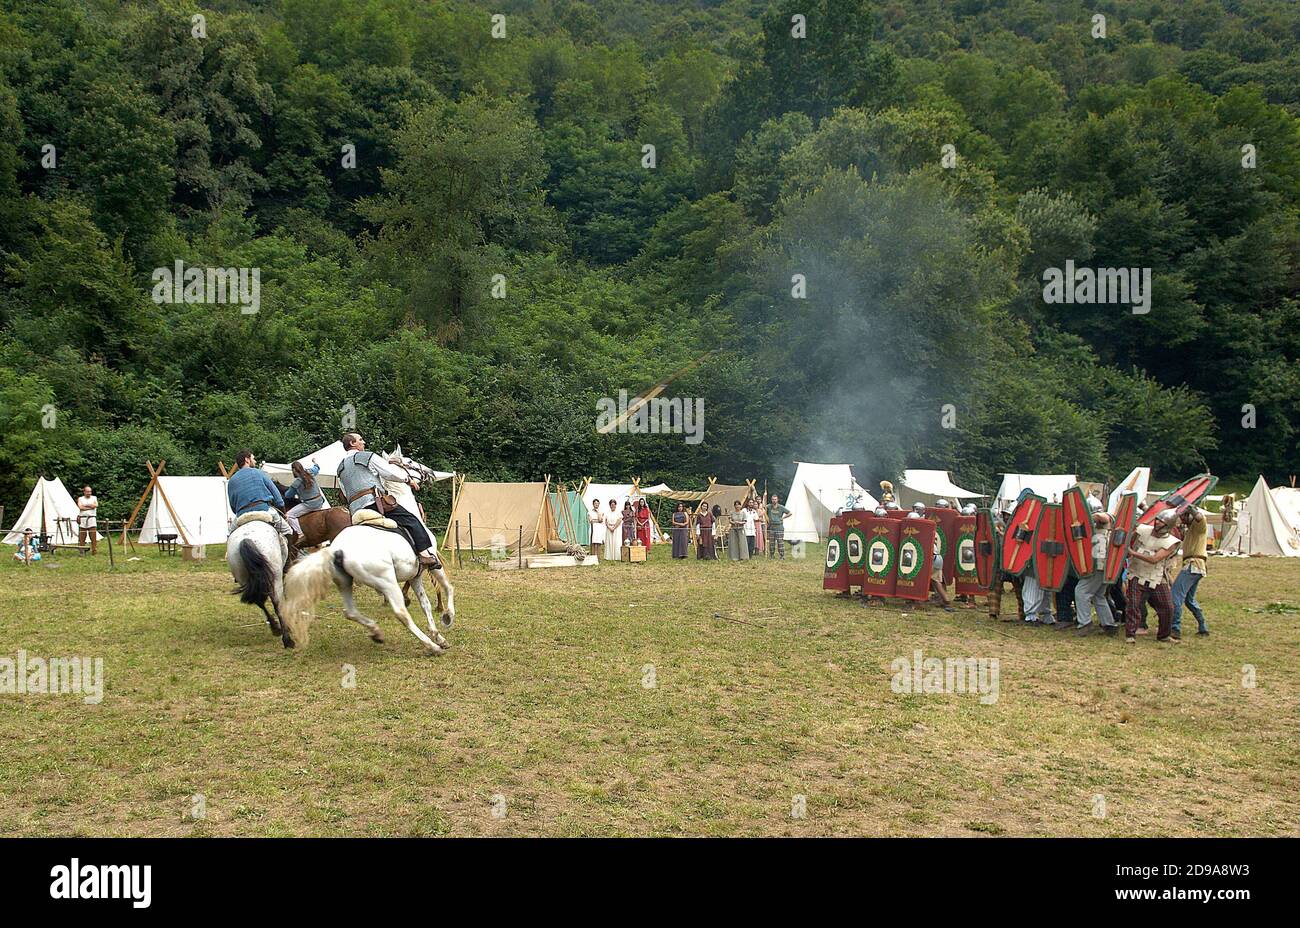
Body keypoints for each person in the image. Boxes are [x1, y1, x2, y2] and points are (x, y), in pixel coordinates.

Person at [336, 433, 442, 569]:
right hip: (374, 504)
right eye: (361, 440)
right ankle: (425, 555)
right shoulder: (367, 456)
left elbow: (344, 492)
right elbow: (389, 472)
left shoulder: (340, 468)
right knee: (411, 520)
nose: (364, 442)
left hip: (355, 511)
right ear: (352, 443)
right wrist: (407, 479)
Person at [1124, 508, 1181, 644]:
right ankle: (1130, 634)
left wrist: (1133, 552)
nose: (1157, 523)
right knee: (1133, 605)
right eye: (1157, 520)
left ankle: (1164, 635)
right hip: (1137, 574)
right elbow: (1129, 538)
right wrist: (1127, 548)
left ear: (1168, 526)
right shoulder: (1143, 530)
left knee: (1168, 607)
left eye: (1161, 522)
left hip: (1156, 576)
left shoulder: (1172, 543)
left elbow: (1155, 559)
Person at [227, 451, 295, 548]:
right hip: (265, 510)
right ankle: (288, 561)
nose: (254, 461)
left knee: (230, 536)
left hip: (242, 514)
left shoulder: (231, 481)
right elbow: (277, 496)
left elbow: (233, 507)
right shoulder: (260, 473)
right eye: (253, 458)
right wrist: (284, 513)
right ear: (247, 459)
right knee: (288, 530)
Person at [1073, 511, 1117, 636]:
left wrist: (1085, 516)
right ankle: (1109, 624)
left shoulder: (1106, 520)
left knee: (1081, 592)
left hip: (1099, 565)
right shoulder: (1097, 529)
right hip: (1100, 564)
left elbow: (1101, 517)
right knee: (1099, 595)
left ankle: (1085, 623)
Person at [1171, 507, 1210, 638]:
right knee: (1189, 600)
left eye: (1185, 515)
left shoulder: (1199, 525)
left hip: (1193, 564)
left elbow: (1199, 517)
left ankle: (1174, 628)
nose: (1182, 519)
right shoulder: (1192, 530)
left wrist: (1188, 506)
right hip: (1195, 565)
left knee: (1175, 596)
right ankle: (1203, 625)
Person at [284, 459, 327, 537]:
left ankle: (300, 534)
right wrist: (315, 462)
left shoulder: (296, 483)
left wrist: (292, 489)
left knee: (289, 515)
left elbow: (287, 495)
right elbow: (317, 468)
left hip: (309, 505)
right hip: (320, 501)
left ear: (294, 470)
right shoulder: (310, 472)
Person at [930, 531, 954, 611]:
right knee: (937, 581)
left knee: (936, 582)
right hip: (937, 558)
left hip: (934, 559)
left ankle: (946, 601)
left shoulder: (924, 535)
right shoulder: (929, 534)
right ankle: (942, 600)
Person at [766, 494, 792, 559]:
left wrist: (783, 518)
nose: (774, 501)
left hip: (779, 527)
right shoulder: (769, 506)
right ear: (771, 500)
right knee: (771, 542)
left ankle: (782, 556)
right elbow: (762, 508)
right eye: (773, 499)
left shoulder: (781, 507)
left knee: (780, 542)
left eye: (775, 499)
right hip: (771, 527)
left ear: (777, 500)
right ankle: (772, 555)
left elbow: (790, 513)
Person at [76, 485, 98, 555]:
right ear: (84, 492)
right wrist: (90, 507)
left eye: (90, 491)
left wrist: (85, 506)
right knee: (82, 536)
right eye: (87, 491)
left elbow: (95, 506)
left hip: (92, 518)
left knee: (93, 536)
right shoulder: (80, 498)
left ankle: (94, 550)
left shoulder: (94, 498)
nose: (89, 493)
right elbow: (80, 507)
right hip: (83, 518)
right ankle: (82, 551)